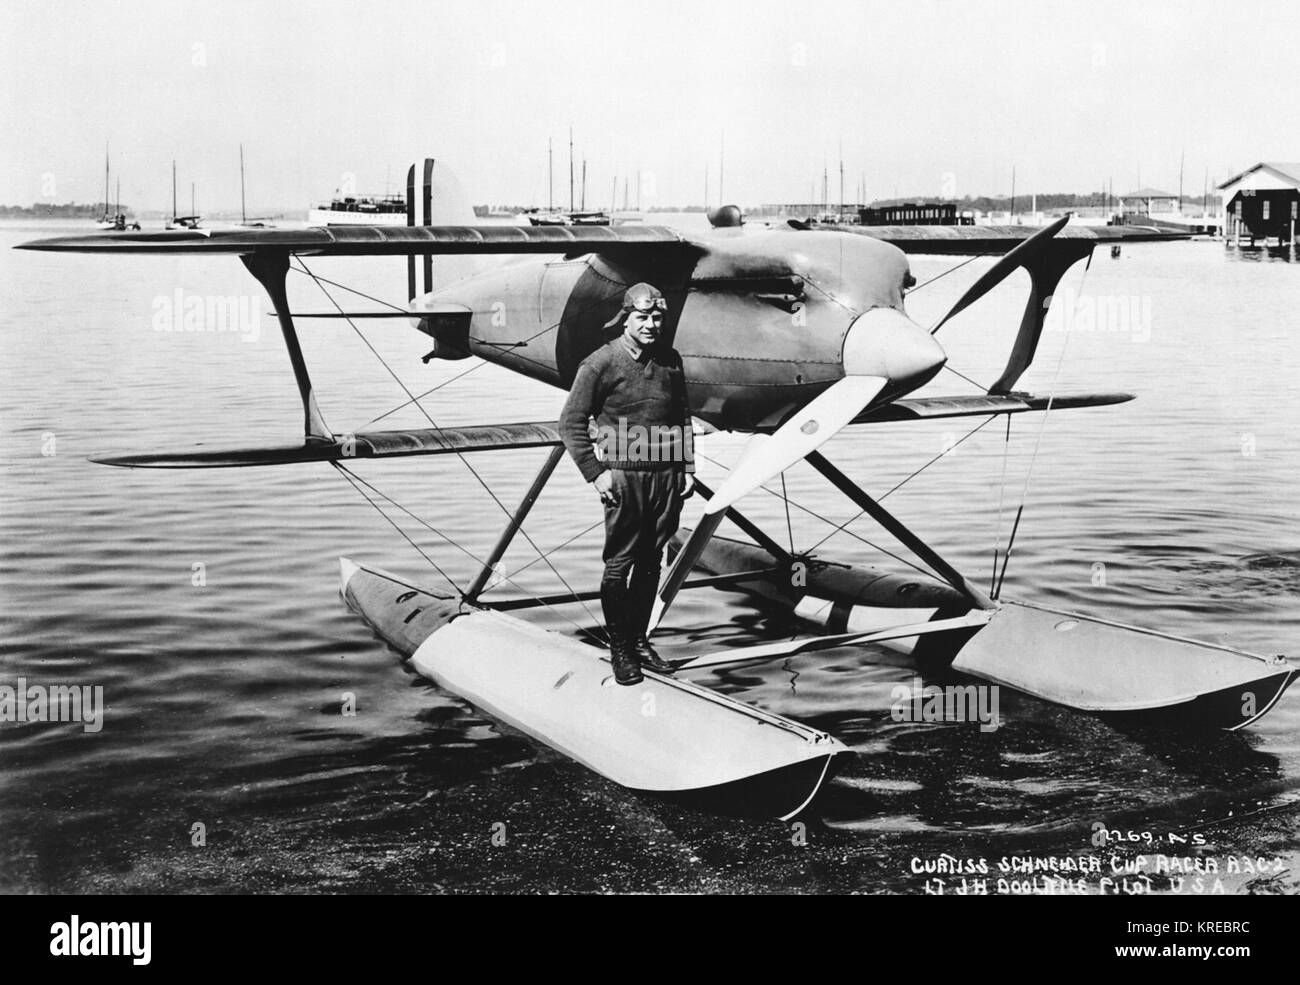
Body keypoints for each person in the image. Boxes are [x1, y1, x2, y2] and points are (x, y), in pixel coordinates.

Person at [559, 283, 695, 685]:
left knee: (652, 561)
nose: (651, 324)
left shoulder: (670, 361)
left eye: (657, 317)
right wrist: (596, 473)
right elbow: (570, 423)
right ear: (626, 319)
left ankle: (638, 641)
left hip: (666, 474)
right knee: (620, 564)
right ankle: (619, 648)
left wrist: (686, 465)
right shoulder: (600, 364)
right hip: (624, 475)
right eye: (642, 317)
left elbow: (682, 414)